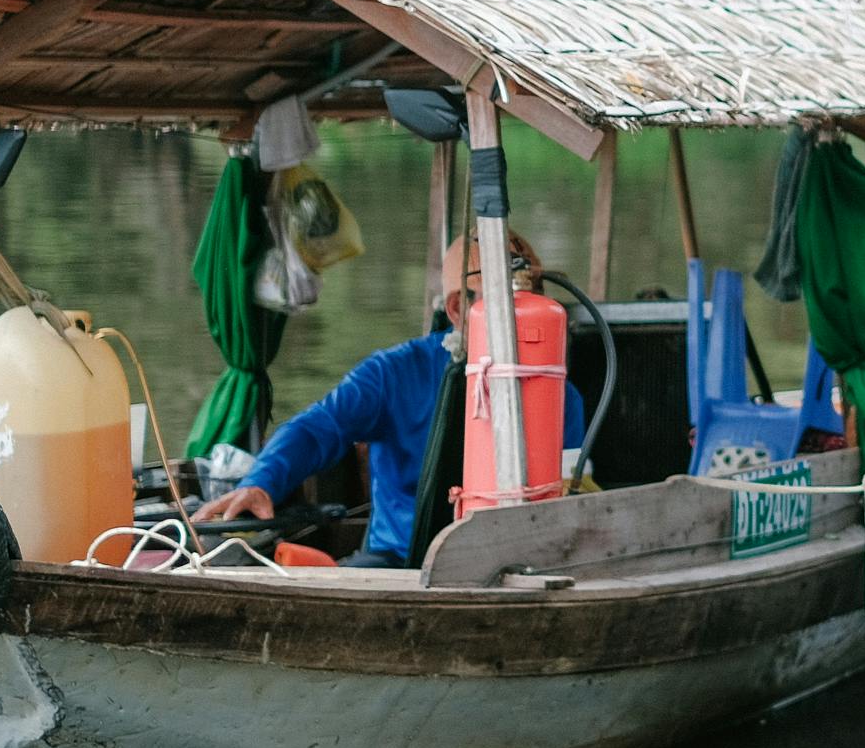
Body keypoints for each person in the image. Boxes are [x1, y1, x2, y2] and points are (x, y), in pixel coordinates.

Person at [194, 230, 587, 567]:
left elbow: (566, 497)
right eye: (503, 307)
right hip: (397, 560)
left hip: (510, 563)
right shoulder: (394, 373)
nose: (518, 319)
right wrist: (261, 482)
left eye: (529, 303)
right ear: (456, 308)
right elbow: (317, 428)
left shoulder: (557, 395)